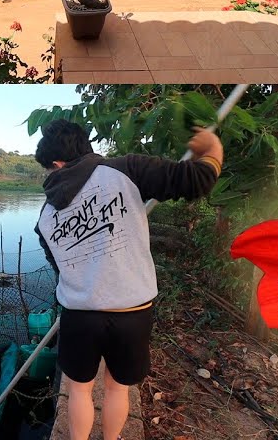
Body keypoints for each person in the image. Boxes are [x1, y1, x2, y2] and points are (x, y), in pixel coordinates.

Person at [33, 119, 223, 440]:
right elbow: (199, 179)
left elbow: (63, 272)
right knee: (116, 388)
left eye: (48, 170)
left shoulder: (45, 218)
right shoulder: (126, 170)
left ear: (57, 164)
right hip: (131, 314)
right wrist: (212, 148)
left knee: (79, 390)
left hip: (79, 316)